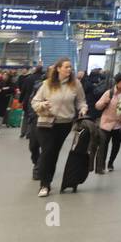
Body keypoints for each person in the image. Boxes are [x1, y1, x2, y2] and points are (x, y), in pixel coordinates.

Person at [31, 59, 88, 197]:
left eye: (70, 67)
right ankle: (44, 185)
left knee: (54, 153)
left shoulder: (76, 84)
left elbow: (81, 101)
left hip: (64, 124)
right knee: (47, 151)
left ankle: (47, 180)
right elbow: (35, 101)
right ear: (58, 68)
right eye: (66, 67)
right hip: (45, 122)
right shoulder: (47, 84)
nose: (69, 69)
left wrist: (83, 109)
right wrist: (42, 105)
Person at [94, 73, 121, 173]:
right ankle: (101, 164)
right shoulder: (110, 93)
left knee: (116, 145)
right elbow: (97, 106)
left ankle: (111, 163)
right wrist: (104, 102)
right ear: (117, 83)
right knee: (103, 145)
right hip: (107, 123)